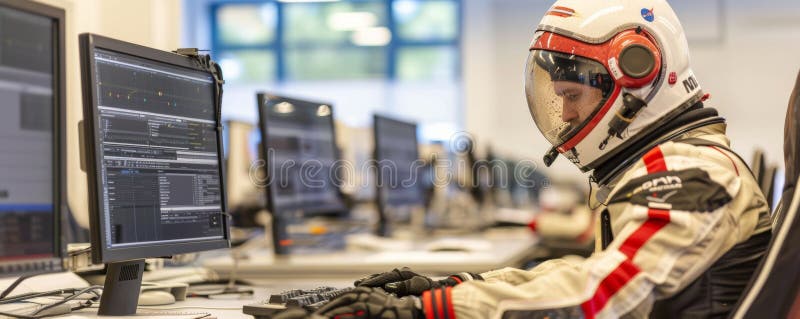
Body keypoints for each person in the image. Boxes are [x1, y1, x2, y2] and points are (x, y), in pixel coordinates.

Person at [275, 0, 772, 318]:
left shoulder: (689, 175)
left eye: (573, 94)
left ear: (636, 78)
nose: (567, 112)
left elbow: (597, 296)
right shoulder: (672, 165)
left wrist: (434, 311)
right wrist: (449, 287)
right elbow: (594, 274)